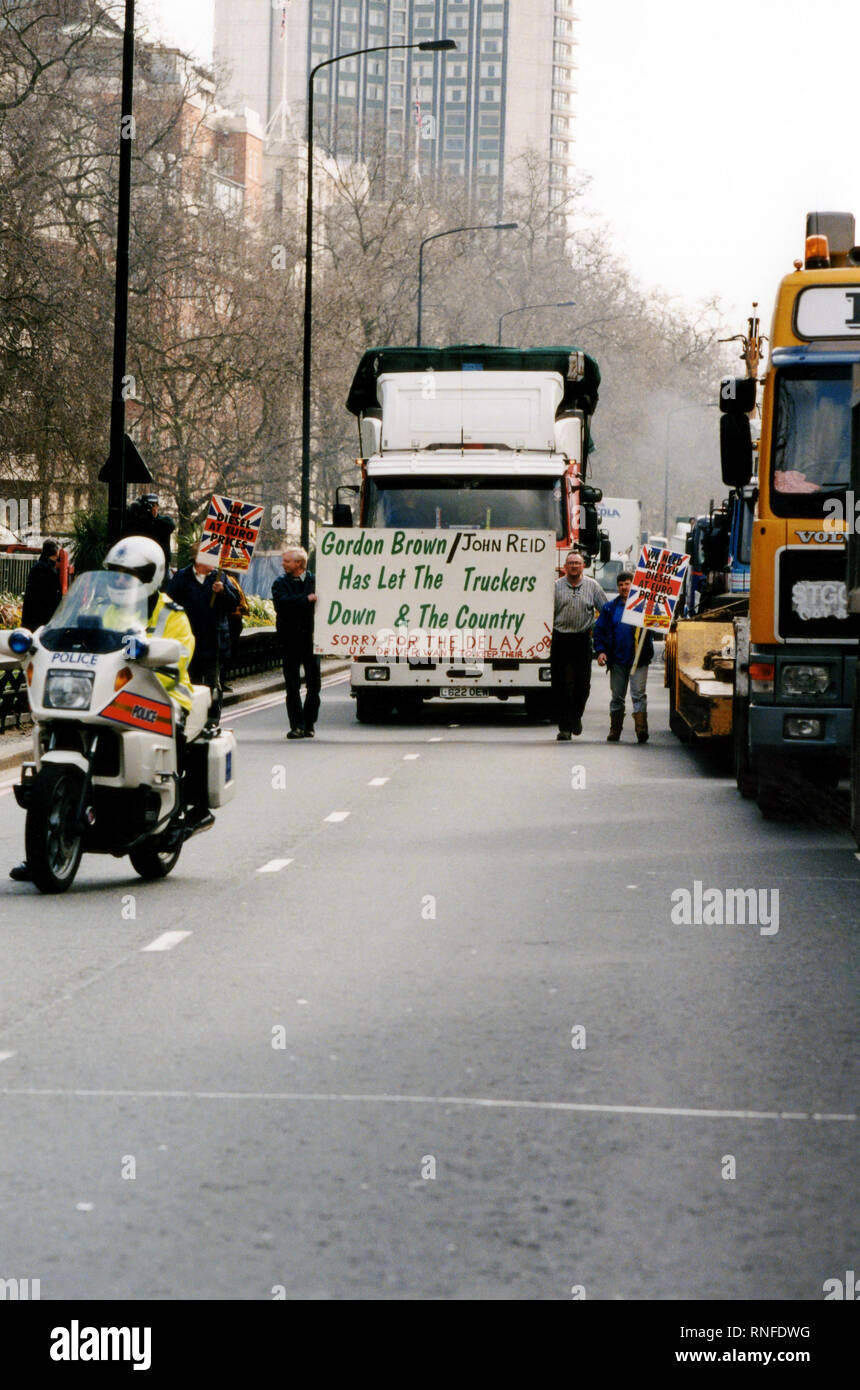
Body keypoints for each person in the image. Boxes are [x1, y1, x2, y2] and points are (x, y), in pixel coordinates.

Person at [10, 536, 200, 882]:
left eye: (132, 573)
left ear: (152, 575)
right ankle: (40, 852)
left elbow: (180, 653)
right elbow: (76, 635)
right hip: (112, 693)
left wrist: (150, 651)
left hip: (161, 694)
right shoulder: (101, 608)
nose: (121, 580)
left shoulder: (173, 615)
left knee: (175, 732)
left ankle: (176, 818)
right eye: (115, 572)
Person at [167, 544, 239, 727]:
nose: (215, 561)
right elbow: (169, 604)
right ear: (198, 560)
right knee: (191, 684)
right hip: (190, 641)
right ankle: (192, 722)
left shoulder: (220, 577)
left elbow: (234, 604)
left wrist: (223, 591)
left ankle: (212, 722)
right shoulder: (182, 578)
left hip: (214, 641)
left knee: (213, 685)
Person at [593, 570, 655, 743]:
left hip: (639, 660)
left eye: (627, 584)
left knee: (638, 695)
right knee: (617, 697)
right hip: (617, 661)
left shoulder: (644, 606)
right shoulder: (609, 608)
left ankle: (641, 730)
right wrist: (600, 651)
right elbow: (599, 631)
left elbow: (656, 624)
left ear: (633, 585)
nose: (624, 587)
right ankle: (615, 730)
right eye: (621, 585)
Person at [551, 549, 606, 740]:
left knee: (582, 685)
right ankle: (564, 727)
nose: (574, 566)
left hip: (582, 640)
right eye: (570, 563)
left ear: (583, 566)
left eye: (577, 563)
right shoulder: (555, 586)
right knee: (560, 685)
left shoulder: (593, 586)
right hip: (560, 639)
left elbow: (605, 612)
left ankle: (576, 717)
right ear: (565, 567)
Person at [272, 544, 320, 739]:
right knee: (292, 685)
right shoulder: (280, 583)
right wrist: (306, 599)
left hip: (312, 639)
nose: (283, 564)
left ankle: (309, 723)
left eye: (287, 561)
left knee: (314, 685)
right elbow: (282, 605)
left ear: (299, 563)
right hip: (289, 639)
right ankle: (296, 726)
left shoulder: (316, 581)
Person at [121, 493, 175, 571]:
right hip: (142, 563)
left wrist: (153, 518)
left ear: (157, 506)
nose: (151, 508)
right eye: (149, 506)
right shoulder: (140, 522)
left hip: (161, 563)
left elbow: (171, 526)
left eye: (153, 505)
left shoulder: (164, 521)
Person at [21, 539, 62, 631]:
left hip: (36, 616)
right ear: (55, 551)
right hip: (40, 617)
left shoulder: (41, 566)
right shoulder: (45, 568)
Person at [220, 572, 250, 692]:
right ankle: (220, 681)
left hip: (236, 620)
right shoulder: (224, 578)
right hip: (230, 619)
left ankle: (222, 680)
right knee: (225, 653)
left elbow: (238, 598)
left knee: (230, 653)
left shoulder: (231, 579)